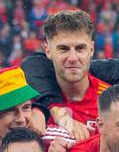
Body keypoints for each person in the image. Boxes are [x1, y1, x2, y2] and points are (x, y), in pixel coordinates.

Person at [24, 10, 110, 140]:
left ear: (91, 49)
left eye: (80, 48)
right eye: (63, 49)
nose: (72, 58)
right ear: (48, 51)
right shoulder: (29, 105)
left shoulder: (111, 101)